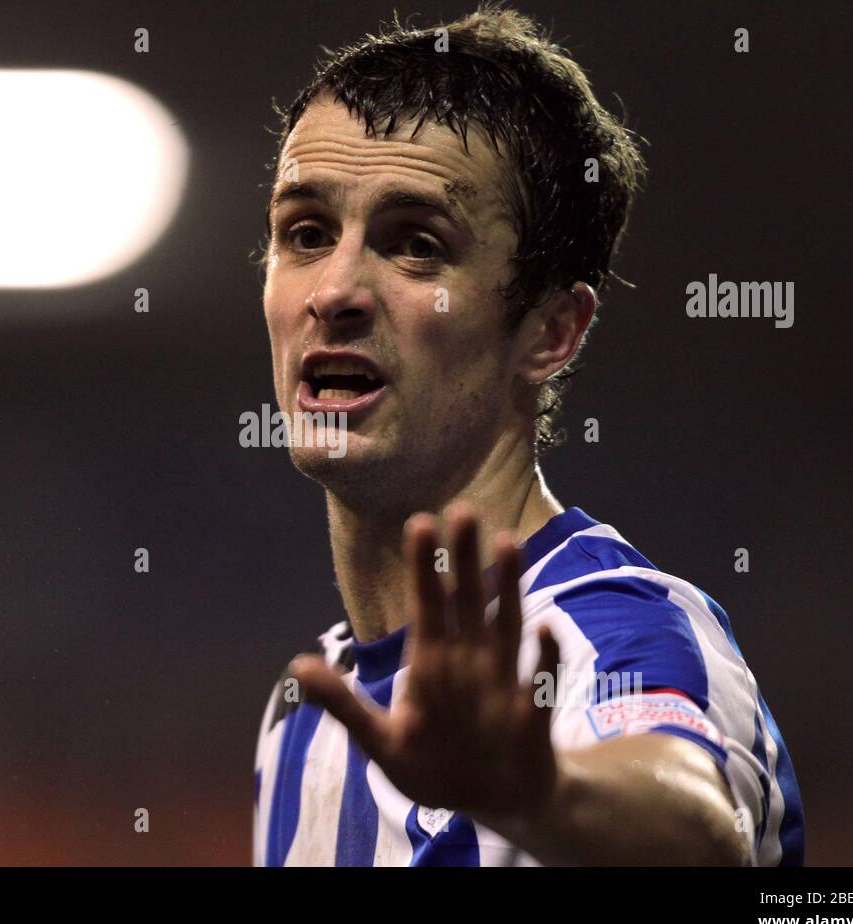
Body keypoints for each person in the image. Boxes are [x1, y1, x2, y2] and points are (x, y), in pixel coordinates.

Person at [251, 2, 804, 866]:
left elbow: (700, 827)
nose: (335, 291)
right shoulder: (302, 720)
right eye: (308, 233)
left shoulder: (609, 633)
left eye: (416, 246)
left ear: (551, 331)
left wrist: (534, 793)